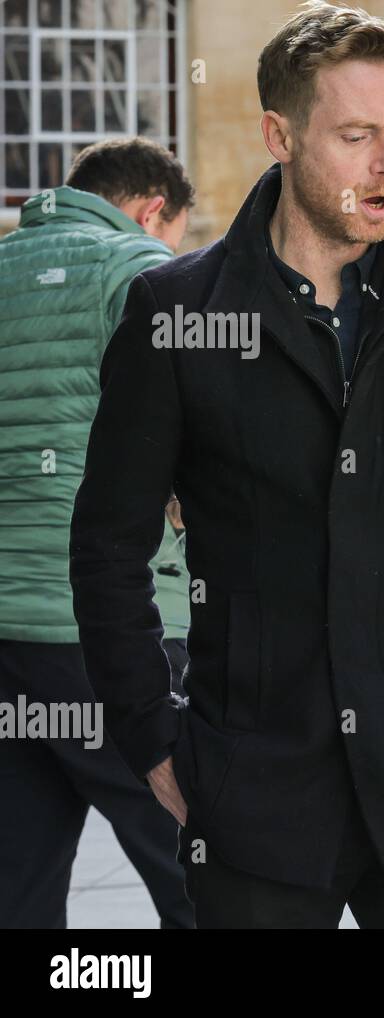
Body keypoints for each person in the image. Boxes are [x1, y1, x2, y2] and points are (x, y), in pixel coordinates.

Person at [69, 1, 384, 929]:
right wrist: (157, 742)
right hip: (257, 804)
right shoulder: (172, 312)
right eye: (357, 134)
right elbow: (106, 548)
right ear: (279, 135)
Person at [0, 137, 196, 928]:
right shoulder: (140, 268)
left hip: (8, 638)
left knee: (19, 887)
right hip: (110, 634)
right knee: (203, 876)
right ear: (153, 208)